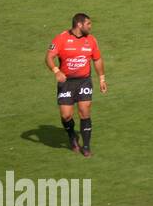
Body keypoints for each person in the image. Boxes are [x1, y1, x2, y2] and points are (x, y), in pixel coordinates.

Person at [45, 13, 107, 157]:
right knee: (66, 115)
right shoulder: (61, 39)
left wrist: (102, 79)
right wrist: (56, 71)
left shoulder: (91, 40)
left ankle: (86, 146)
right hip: (66, 82)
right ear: (79, 25)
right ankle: (72, 136)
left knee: (84, 111)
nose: (90, 27)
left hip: (84, 80)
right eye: (88, 24)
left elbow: (97, 59)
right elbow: (49, 57)